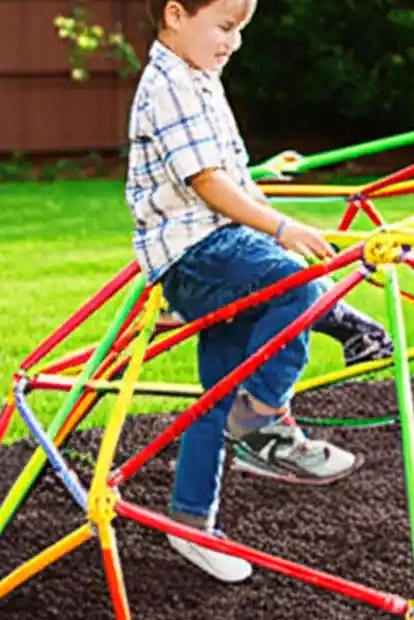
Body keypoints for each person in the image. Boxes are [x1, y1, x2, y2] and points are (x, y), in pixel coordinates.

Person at [127, 0, 359, 582]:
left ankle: (192, 523)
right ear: (175, 14)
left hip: (219, 250)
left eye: (241, 30)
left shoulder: (199, 77)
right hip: (196, 255)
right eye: (226, 27)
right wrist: (283, 226)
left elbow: (220, 169)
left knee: (219, 391)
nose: (235, 42)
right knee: (297, 282)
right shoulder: (169, 85)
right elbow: (206, 184)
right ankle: (264, 420)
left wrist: (259, 175)